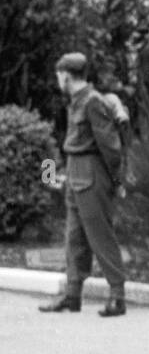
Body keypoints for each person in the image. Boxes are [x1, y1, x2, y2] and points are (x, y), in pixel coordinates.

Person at [39, 53, 128, 318]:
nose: (58, 80)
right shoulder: (76, 101)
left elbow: (111, 147)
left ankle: (117, 297)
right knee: (74, 238)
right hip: (75, 170)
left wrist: (118, 180)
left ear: (66, 75)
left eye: (58, 75)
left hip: (92, 173)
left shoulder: (92, 102)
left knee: (100, 235)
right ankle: (72, 295)